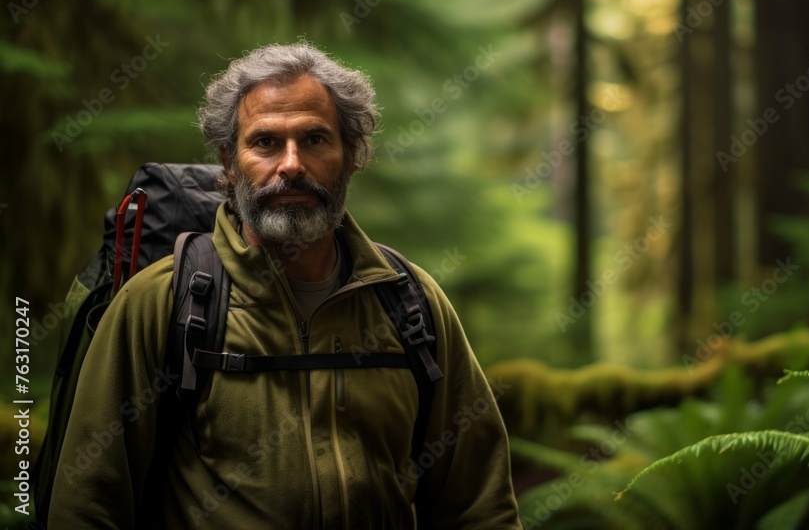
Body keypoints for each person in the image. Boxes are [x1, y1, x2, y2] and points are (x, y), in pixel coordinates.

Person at [47, 42, 522, 529]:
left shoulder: (408, 301)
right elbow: (87, 506)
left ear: (352, 154)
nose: (291, 164)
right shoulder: (162, 302)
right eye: (266, 142)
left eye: (315, 139)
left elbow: (479, 505)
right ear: (230, 165)